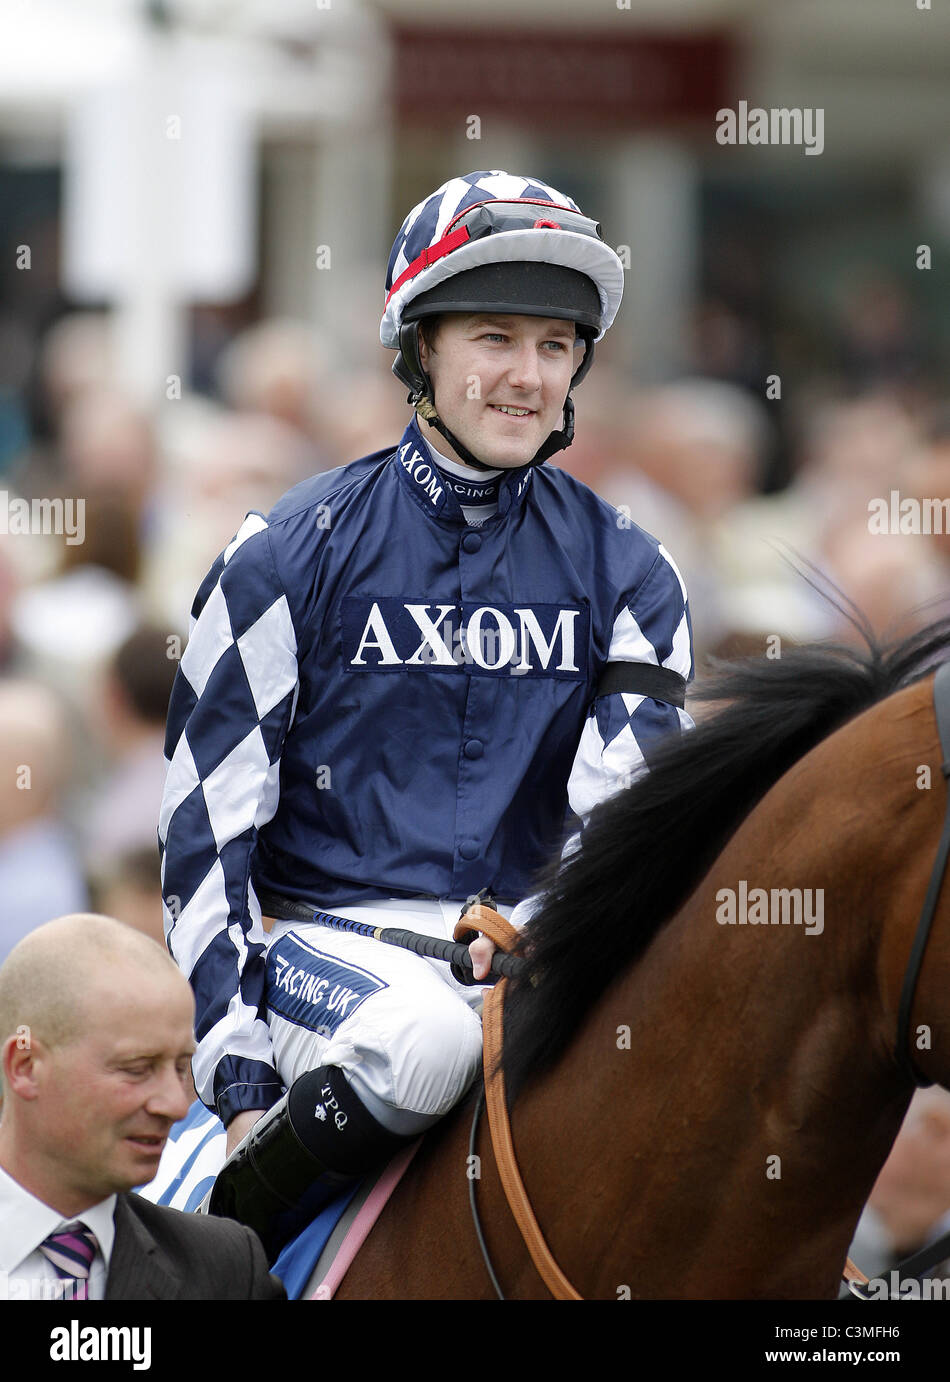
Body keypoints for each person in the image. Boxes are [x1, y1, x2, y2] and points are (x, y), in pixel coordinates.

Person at [159, 170, 694, 1245]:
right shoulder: (279, 554)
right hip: (323, 948)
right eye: (492, 337)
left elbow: (622, 831)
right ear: (419, 350)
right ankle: (220, 1245)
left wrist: (534, 939)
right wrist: (233, 1063)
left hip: (529, 959)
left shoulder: (634, 571)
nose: (526, 376)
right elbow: (204, 835)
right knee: (422, 1043)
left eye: (553, 345)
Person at [0, 914, 284, 1299]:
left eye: (181, 1068)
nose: (174, 1106)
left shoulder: (227, 1271)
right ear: (26, 1068)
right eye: (136, 1069)